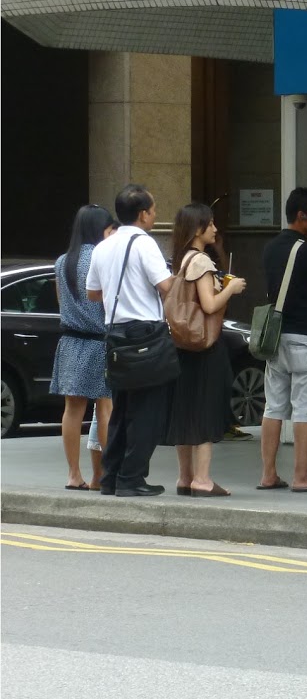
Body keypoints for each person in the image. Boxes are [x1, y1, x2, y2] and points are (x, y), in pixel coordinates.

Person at [85, 184, 176, 497]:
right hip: (145, 334)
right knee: (148, 411)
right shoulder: (144, 244)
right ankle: (132, 478)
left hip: (116, 335)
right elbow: (165, 286)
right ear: (142, 214)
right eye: (153, 209)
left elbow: (92, 293)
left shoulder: (103, 246)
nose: (155, 214)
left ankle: (111, 478)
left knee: (122, 409)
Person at [163, 203, 246, 497]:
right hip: (205, 346)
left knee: (185, 409)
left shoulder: (182, 259)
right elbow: (209, 305)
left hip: (183, 346)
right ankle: (203, 479)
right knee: (206, 408)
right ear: (198, 229)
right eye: (210, 224)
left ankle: (185, 477)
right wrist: (231, 289)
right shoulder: (200, 262)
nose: (214, 229)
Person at [257, 187, 307, 493]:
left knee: (273, 407)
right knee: (305, 408)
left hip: (275, 339)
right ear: (301, 215)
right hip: (306, 337)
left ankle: (268, 474)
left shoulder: (270, 248)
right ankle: (302, 476)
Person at [51, 204, 117, 491]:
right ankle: (106, 474)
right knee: (104, 407)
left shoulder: (62, 261)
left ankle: (73, 474)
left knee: (72, 410)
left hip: (70, 341)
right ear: (99, 229)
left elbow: (61, 303)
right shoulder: (100, 258)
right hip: (98, 341)